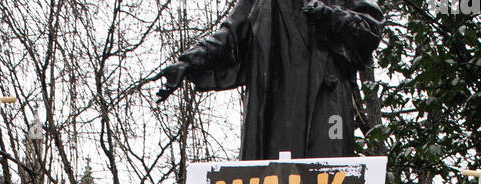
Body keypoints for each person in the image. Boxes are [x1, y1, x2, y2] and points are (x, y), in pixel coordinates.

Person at [154, 0, 384, 161]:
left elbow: (370, 30)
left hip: (326, 104)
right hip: (276, 106)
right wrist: (188, 62)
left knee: (329, 178)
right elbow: (230, 35)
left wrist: (330, 16)